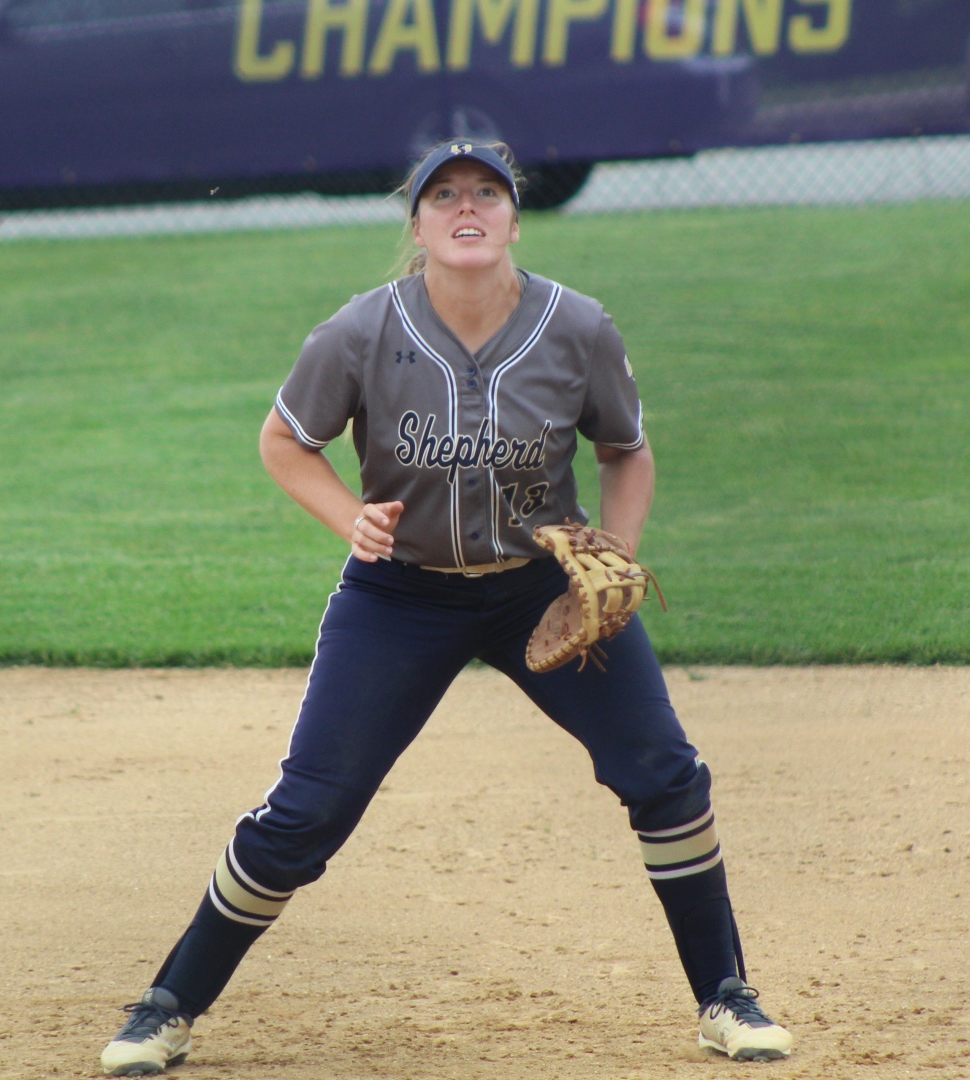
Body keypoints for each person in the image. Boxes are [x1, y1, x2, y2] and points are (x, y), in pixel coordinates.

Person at [98, 140, 794, 1076]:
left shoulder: (577, 327)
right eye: (445, 196)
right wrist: (353, 519)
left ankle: (727, 999)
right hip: (399, 597)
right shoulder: (359, 332)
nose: (467, 208)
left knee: (666, 774)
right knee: (308, 812)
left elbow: (627, 449)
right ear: (418, 224)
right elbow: (284, 441)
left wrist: (619, 549)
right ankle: (167, 1005)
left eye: (487, 194)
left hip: (541, 586)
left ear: (513, 219)